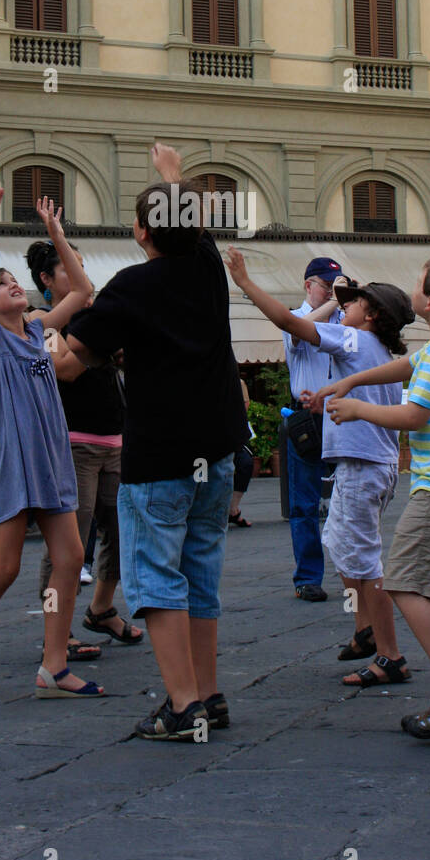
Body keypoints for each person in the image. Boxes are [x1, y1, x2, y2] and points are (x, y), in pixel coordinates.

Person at [65, 145, 247, 740]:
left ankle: (183, 704)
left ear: (140, 231)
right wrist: (172, 172)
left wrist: (43, 340)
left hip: (159, 454)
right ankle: (210, 695)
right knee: (200, 575)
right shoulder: (206, 266)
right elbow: (193, 223)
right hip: (216, 451)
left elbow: (71, 364)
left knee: (158, 579)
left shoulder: (130, 286)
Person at [0, 173, 100, 701]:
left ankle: (54, 665)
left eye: (16, 281)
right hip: (14, 459)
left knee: (71, 559)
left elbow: (82, 291)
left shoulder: (36, 330)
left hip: (51, 456)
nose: (13, 285)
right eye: (6, 282)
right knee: (5, 567)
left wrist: (56, 232)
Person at [326, 255, 430, 740]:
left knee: (402, 582)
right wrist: (354, 379)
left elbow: (415, 416)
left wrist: (357, 408)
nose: (413, 288)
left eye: (418, 282)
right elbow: (406, 365)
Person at [228, 254, 413, 686]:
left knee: (364, 561)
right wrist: (325, 397)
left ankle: (390, 656)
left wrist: (246, 282)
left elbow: (291, 323)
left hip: (363, 466)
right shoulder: (380, 349)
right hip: (374, 464)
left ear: (372, 315)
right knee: (343, 545)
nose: (342, 306)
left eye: (351, 303)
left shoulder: (352, 341)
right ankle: (364, 630)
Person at [26, 237, 140, 659]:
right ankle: (57, 632)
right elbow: (64, 369)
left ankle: (102, 608)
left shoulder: (91, 318)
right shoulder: (43, 321)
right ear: (46, 279)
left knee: (121, 532)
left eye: (82, 265)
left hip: (115, 437)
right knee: (67, 543)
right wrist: (104, 342)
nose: (81, 275)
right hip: (75, 443)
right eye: (70, 267)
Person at [279, 255, 345, 601]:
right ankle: (308, 577)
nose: (334, 292)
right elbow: (298, 331)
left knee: (350, 495)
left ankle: (355, 572)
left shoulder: (347, 319)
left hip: (340, 413)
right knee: (304, 502)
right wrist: (336, 302)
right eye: (327, 286)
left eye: (338, 285)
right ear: (309, 286)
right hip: (307, 415)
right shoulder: (298, 316)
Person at [229, 379, 254, 528]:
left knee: (245, 463)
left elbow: (245, 405)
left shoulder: (238, 382)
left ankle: (233, 509)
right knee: (203, 469)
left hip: (233, 432)